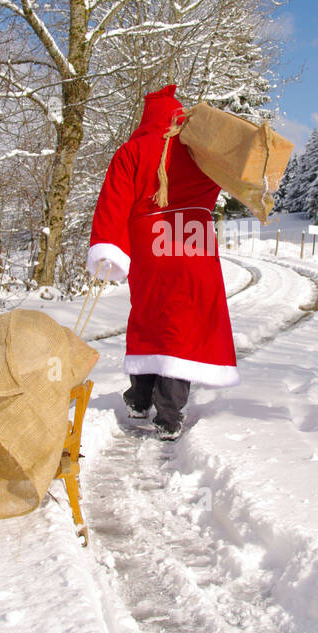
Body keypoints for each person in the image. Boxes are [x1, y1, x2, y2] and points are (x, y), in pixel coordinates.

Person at [87, 84, 238, 439]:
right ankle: (169, 416)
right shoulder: (198, 150)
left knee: (149, 317)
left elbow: (114, 201)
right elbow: (228, 178)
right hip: (193, 244)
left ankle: (139, 400)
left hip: (149, 247)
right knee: (182, 324)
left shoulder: (131, 151)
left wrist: (108, 247)